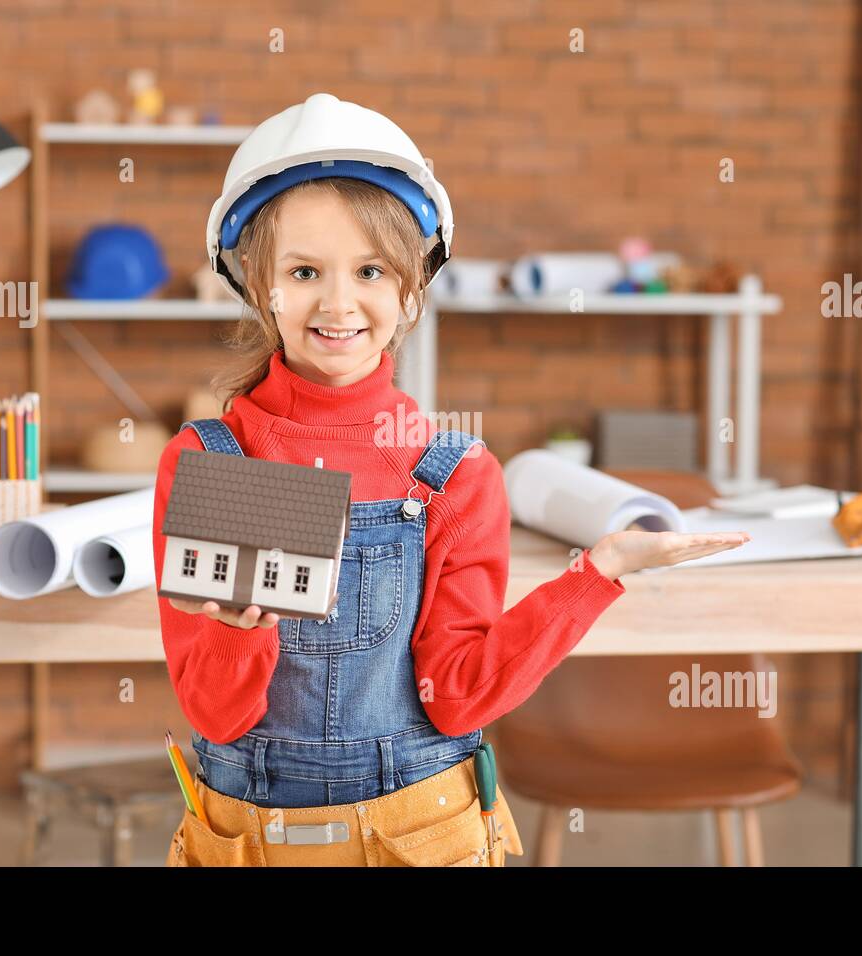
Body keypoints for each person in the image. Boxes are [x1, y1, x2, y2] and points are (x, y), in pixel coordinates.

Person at [154, 93, 748, 866]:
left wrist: (600, 573)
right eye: (305, 270)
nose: (338, 303)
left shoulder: (452, 474)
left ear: (411, 291)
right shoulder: (212, 460)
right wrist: (239, 631)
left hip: (423, 835)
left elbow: (458, 693)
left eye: (370, 270)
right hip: (256, 842)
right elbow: (218, 717)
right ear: (257, 283)